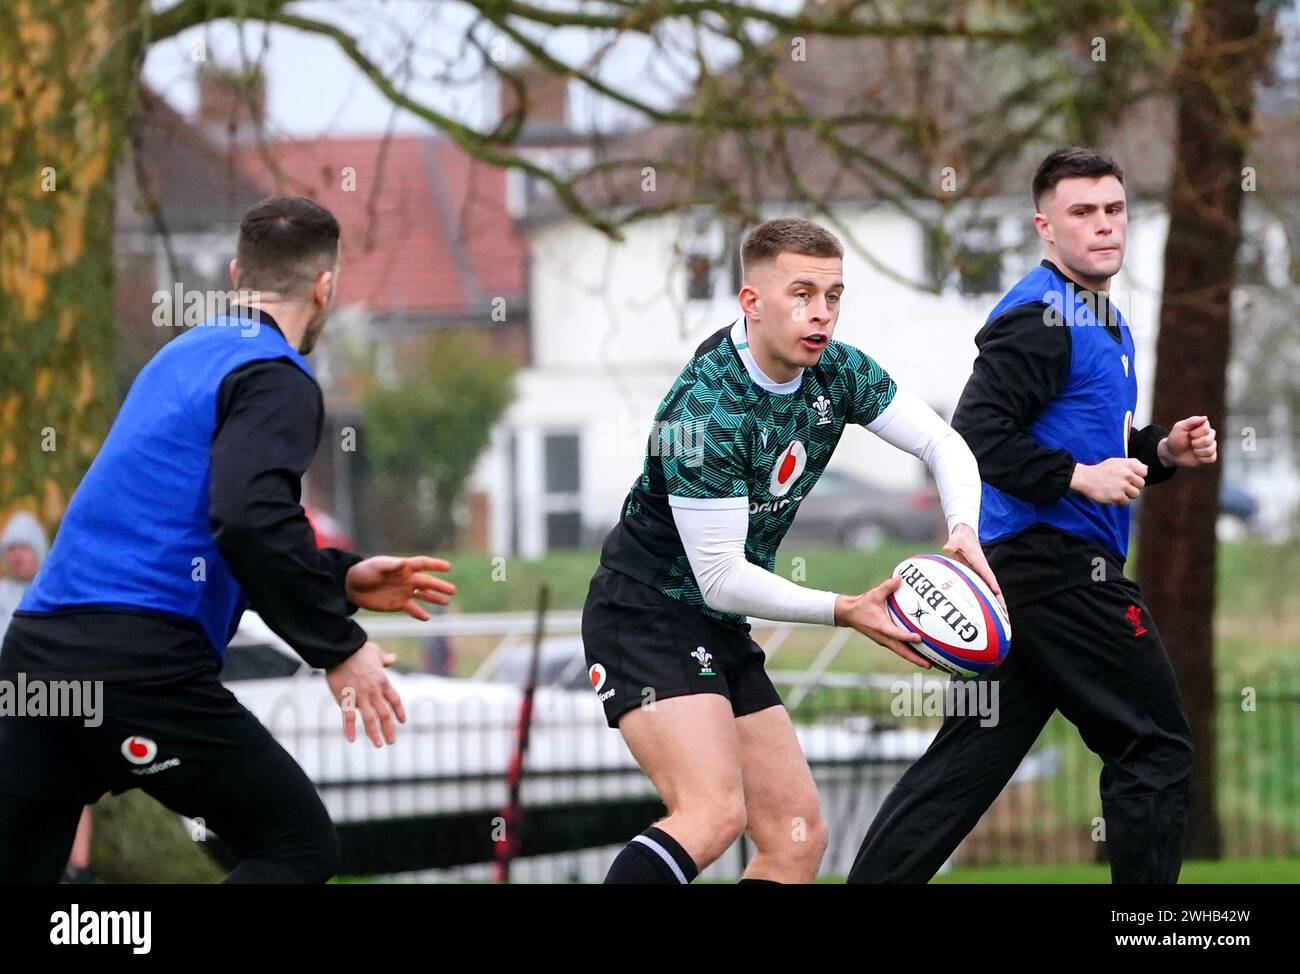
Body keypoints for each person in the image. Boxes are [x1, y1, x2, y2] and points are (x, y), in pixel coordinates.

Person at [0, 195, 456, 884]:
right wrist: (339, 646)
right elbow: (245, 518)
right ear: (325, 287)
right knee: (296, 848)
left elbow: (206, 527)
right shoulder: (275, 376)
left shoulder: (179, 358)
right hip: (139, 661)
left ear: (238, 274)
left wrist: (339, 579)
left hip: (39, 655)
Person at [583, 217, 1002, 884]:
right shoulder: (705, 411)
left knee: (796, 837)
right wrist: (846, 608)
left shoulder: (837, 372)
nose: (822, 314)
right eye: (801, 294)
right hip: (644, 612)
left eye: (833, 296)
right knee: (711, 815)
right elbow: (719, 577)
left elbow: (942, 444)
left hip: (716, 624)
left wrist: (962, 529)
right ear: (751, 302)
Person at [848, 148, 1217, 885]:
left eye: (1114, 210)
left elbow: (1087, 442)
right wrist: (1080, 477)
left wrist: (1160, 450)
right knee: (1154, 745)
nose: (1104, 226)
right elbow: (979, 437)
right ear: (1046, 227)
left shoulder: (1100, 317)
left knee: (962, 769)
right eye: (1084, 212)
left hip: (1024, 577)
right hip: (1056, 569)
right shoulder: (1040, 317)